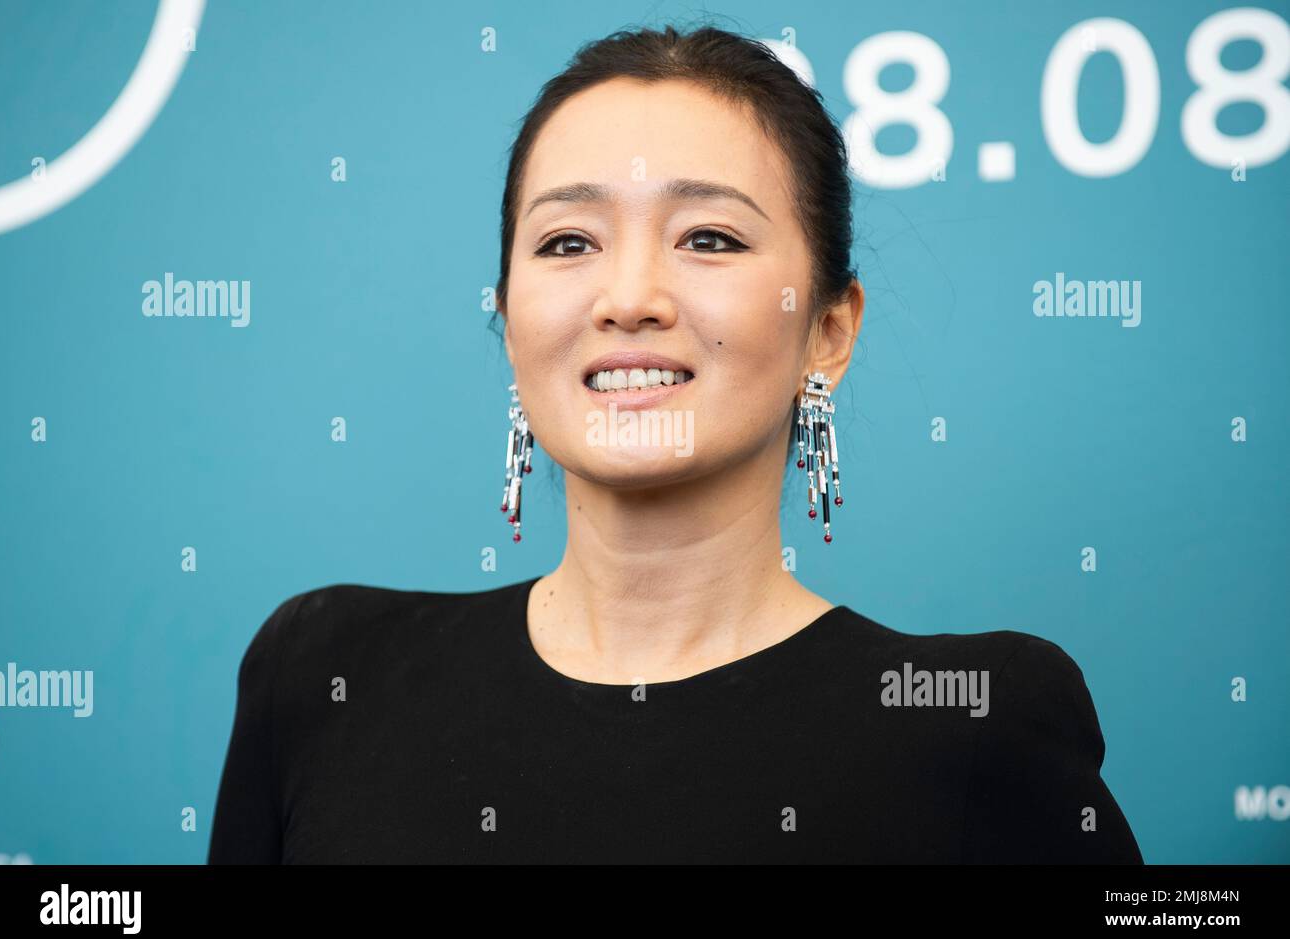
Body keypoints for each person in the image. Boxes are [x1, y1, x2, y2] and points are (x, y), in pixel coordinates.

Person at [207, 23, 1142, 864]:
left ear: (828, 329)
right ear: (507, 316)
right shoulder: (326, 673)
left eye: (709, 238)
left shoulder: (976, 719)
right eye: (569, 243)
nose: (629, 297)